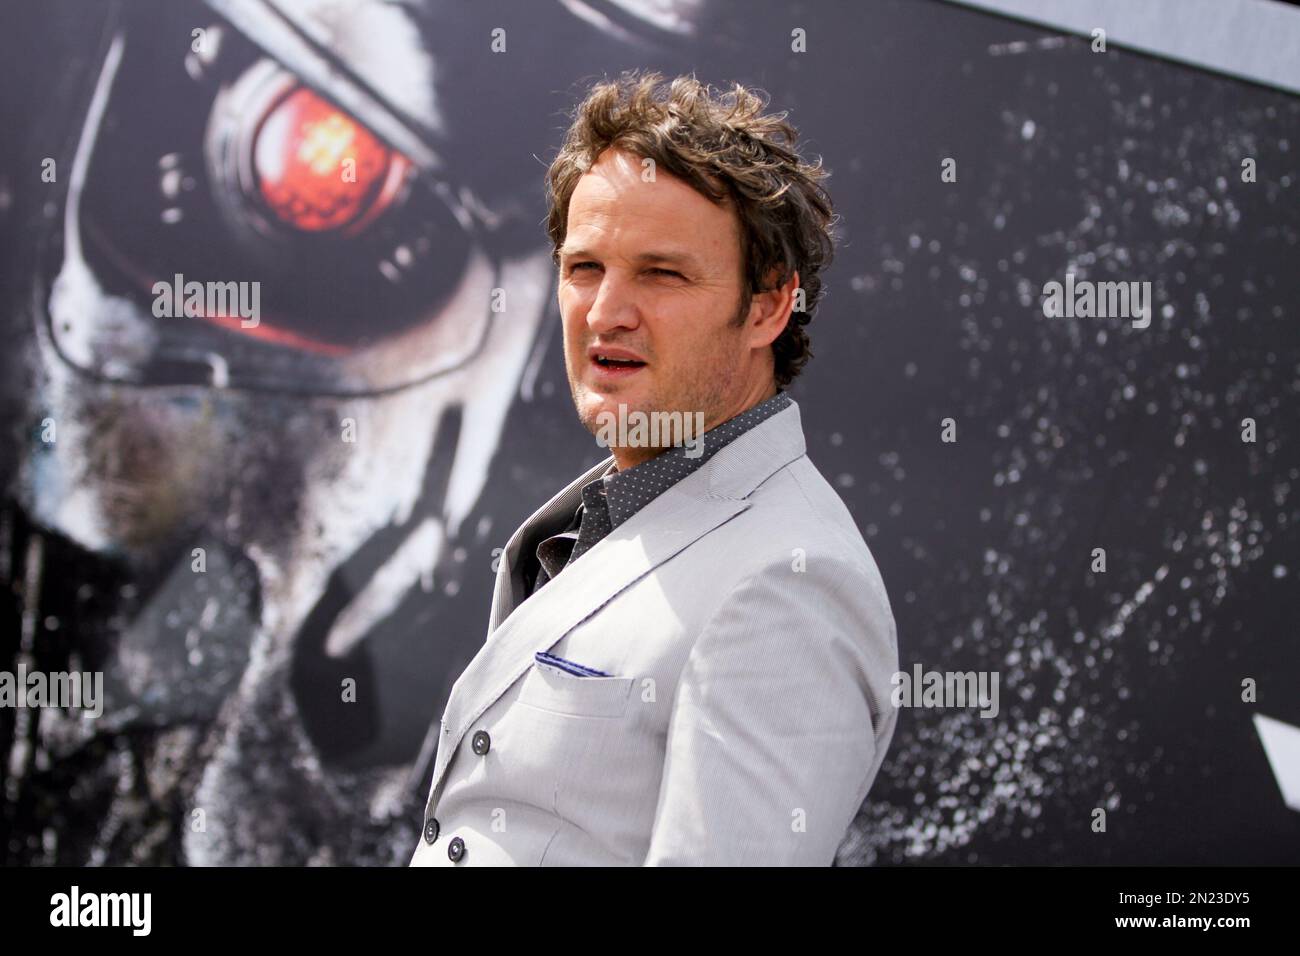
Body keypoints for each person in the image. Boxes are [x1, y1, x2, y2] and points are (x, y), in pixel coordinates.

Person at [410, 70, 899, 866]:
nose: (605, 312)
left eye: (661, 273)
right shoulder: (610, 513)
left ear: (772, 305)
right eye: (583, 268)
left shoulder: (791, 583)